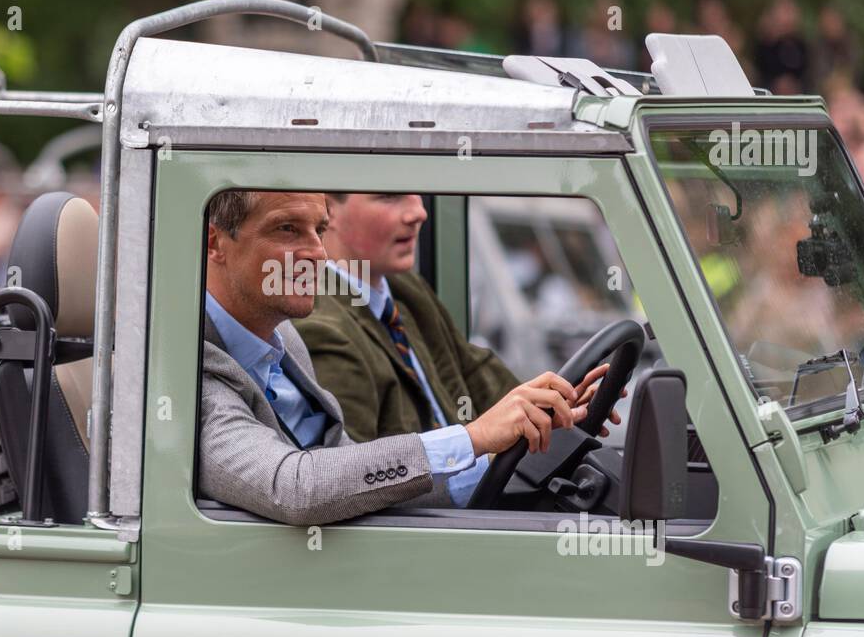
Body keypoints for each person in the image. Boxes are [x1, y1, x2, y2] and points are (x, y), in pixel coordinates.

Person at [199, 190, 600, 526]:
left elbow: (349, 466)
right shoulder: (189, 366)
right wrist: (473, 438)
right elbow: (295, 487)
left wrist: (514, 447)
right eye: (287, 229)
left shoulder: (280, 337)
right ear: (214, 241)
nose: (318, 255)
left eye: (318, 230)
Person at [295, 193, 618, 507]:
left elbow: (479, 374)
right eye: (389, 196)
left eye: (416, 193)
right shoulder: (321, 326)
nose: (418, 212)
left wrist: (562, 402)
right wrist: (483, 454)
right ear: (327, 211)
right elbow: (357, 482)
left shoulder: (403, 289)